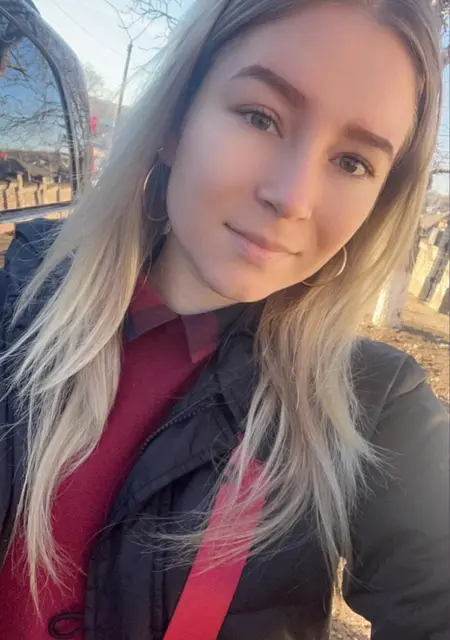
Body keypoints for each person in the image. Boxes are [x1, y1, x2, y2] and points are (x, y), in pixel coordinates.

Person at [0, 0, 448, 638]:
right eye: (260, 117)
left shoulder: (374, 410)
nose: (291, 197)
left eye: (353, 162)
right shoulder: (20, 300)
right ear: (174, 120)